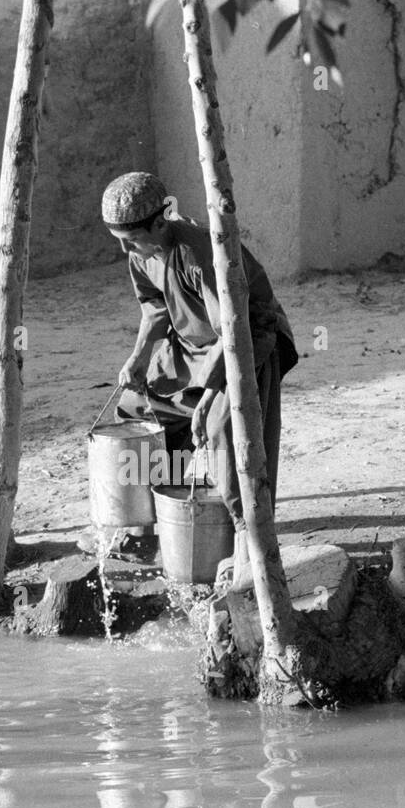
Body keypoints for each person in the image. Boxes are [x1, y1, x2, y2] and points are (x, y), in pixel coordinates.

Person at [101, 171, 298, 587]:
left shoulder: (199, 253)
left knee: (225, 429)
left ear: (160, 221)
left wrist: (208, 399)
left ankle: (249, 535)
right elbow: (155, 309)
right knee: (140, 412)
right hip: (192, 345)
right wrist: (138, 359)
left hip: (246, 339)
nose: (124, 248)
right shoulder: (140, 252)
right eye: (118, 237)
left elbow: (232, 329)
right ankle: (150, 524)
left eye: (131, 237)